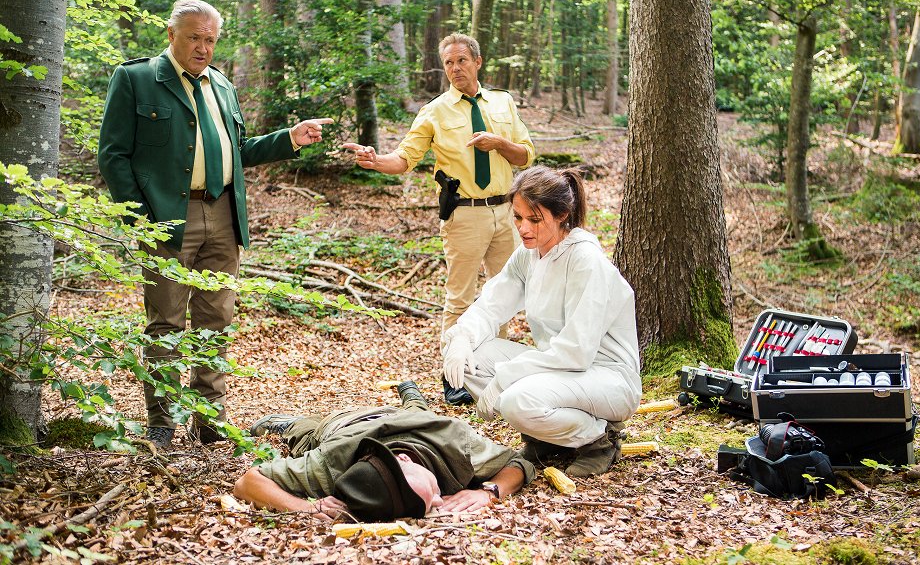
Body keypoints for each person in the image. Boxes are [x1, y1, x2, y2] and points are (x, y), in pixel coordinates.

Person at [98, 0, 333, 448]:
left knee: (216, 319)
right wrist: (140, 218)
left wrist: (289, 139)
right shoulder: (137, 78)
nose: (203, 47)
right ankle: (161, 423)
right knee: (165, 322)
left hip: (223, 213)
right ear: (172, 34)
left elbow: (237, 150)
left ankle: (208, 420)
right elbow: (112, 155)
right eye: (194, 37)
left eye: (210, 39)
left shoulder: (222, 86)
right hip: (166, 218)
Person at [342, 33, 535, 404]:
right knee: (460, 297)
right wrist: (375, 160)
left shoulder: (503, 103)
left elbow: (525, 155)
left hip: (507, 212)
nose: (455, 68)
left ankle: (497, 372)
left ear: (478, 62)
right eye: (448, 62)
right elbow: (404, 159)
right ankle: (455, 379)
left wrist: (498, 143)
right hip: (464, 214)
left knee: (505, 294)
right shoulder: (435, 111)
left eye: (462, 60)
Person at [441, 166, 642, 477]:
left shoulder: (586, 262)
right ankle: (547, 438)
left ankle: (600, 440)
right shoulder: (528, 256)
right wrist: (461, 338)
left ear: (561, 215)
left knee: (516, 401)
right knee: (472, 358)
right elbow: (492, 304)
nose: (523, 228)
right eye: (518, 217)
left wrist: (507, 376)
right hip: (557, 370)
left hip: (607, 377)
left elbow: (575, 352)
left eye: (534, 220)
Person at [232, 381, 534, 521]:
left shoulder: (456, 439)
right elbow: (248, 482)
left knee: (417, 411)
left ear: (404, 461)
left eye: (432, 494)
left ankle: (411, 394)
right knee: (306, 433)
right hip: (341, 426)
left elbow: (518, 463)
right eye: (434, 492)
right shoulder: (331, 465)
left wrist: (490, 491)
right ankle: (287, 423)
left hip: (404, 419)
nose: (442, 498)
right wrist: (306, 508)